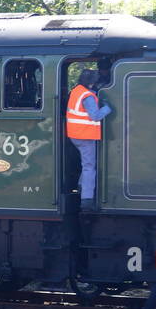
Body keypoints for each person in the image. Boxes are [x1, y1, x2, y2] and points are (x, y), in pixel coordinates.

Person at [65, 68, 110, 211]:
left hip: (75, 134)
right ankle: (86, 200)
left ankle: (81, 185)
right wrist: (108, 108)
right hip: (85, 136)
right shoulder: (87, 96)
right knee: (89, 166)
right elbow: (95, 116)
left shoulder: (77, 91)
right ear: (92, 83)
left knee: (86, 164)